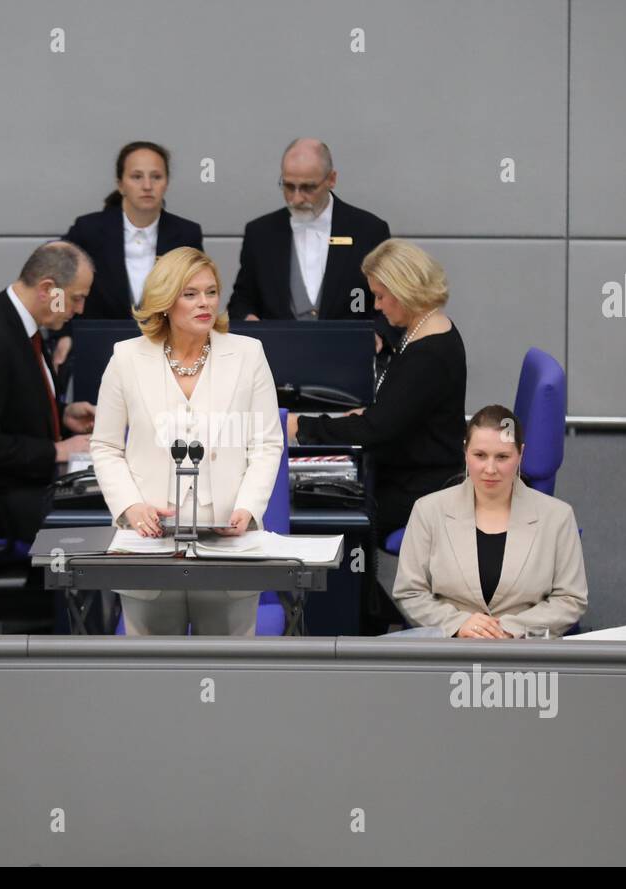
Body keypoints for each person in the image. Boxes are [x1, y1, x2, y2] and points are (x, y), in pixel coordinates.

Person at [90, 247, 283, 635]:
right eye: (190, 294)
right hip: (151, 542)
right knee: (153, 675)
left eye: (211, 292)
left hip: (228, 541)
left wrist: (247, 508)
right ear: (164, 300)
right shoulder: (125, 358)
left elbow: (266, 444)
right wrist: (130, 506)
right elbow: (106, 446)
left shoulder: (248, 354)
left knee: (228, 670)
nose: (205, 303)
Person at [288, 239, 466, 536]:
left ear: (404, 290)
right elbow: (392, 415)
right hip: (414, 474)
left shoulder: (428, 354)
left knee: (315, 510)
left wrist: (300, 426)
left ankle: (351, 583)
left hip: (418, 489)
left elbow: (375, 431)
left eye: (381, 296)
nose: (377, 305)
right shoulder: (424, 331)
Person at [0, 241, 97, 542]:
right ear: (47, 288)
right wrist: (56, 451)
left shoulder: (22, 325)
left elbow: (12, 405)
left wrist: (63, 416)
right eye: (76, 299)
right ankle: (50, 589)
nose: (80, 310)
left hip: (19, 477)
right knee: (94, 519)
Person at [392, 406, 587, 638]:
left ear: (521, 454)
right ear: (465, 452)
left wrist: (511, 628)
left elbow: (570, 599)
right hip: (450, 650)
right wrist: (458, 624)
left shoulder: (558, 517)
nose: (490, 469)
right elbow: (410, 592)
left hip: (524, 653)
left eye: (502, 457)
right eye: (480, 455)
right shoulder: (428, 511)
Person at [226, 138, 394, 349]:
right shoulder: (260, 233)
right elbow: (242, 299)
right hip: (276, 359)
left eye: (308, 188)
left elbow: (391, 299)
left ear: (331, 179)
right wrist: (248, 319)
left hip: (347, 357)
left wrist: (377, 335)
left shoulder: (368, 230)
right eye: (288, 186)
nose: (296, 198)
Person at [53, 141, 204, 372]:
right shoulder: (89, 230)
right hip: (99, 350)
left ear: (167, 183)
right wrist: (63, 333)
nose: (147, 185)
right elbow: (56, 282)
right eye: (136, 177)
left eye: (156, 177)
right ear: (120, 184)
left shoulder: (187, 234)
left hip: (166, 353)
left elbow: (195, 296)